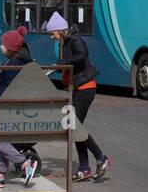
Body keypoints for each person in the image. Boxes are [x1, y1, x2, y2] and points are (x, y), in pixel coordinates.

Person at [46, 12, 111, 182]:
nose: (51, 37)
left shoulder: (75, 40)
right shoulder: (65, 42)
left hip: (85, 87)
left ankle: (100, 157)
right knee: (74, 128)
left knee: (74, 126)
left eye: (52, 33)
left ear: (60, 30)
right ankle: (84, 168)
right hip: (77, 87)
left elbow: (81, 55)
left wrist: (60, 64)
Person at [0, 27, 39, 189]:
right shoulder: (17, 61)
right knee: (3, 139)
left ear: (10, 47)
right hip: (12, 108)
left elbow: (10, 89)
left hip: (10, 108)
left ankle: (24, 163)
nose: (0, 46)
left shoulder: (15, 64)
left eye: (2, 44)